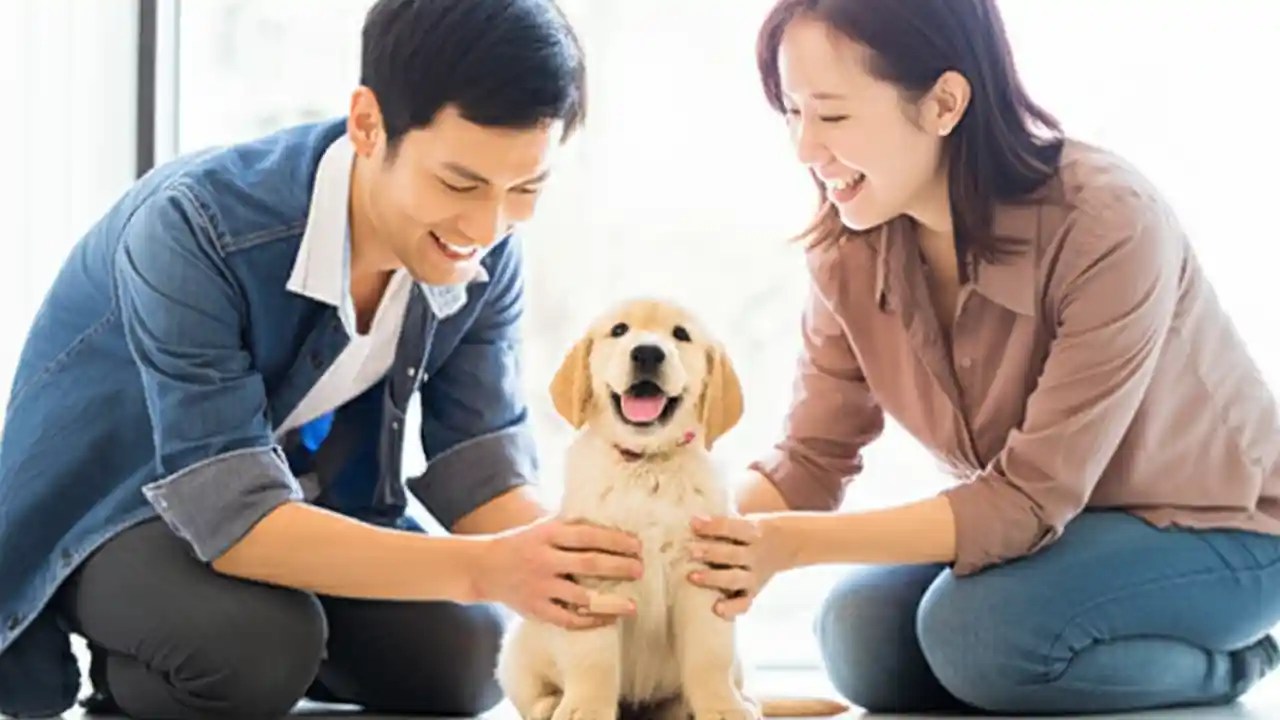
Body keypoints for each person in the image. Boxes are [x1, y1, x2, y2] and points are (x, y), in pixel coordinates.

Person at [0, 1, 646, 718]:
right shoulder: (196, 226)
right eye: (459, 184)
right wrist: (486, 569)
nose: (485, 228)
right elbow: (232, 515)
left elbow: (480, 469)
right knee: (258, 646)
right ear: (368, 124)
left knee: (470, 658)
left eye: (525, 189)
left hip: (301, 505)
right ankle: (142, 668)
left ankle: (263, 641)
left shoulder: (484, 249)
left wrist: (595, 567)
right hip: (118, 512)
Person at [687, 0, 1280, 715]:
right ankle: (1041, 659)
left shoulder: (1105, 221)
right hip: (1056, 536)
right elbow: (812, 459)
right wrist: (686, 538)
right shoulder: (851, 241)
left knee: (979, 637)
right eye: (792, 113)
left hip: (1218, 531)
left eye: (832, 116)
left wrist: (783, 544)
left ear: (944, 102)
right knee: (859, 638)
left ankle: (1233, 664)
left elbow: (1028, 498)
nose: (806, 149)